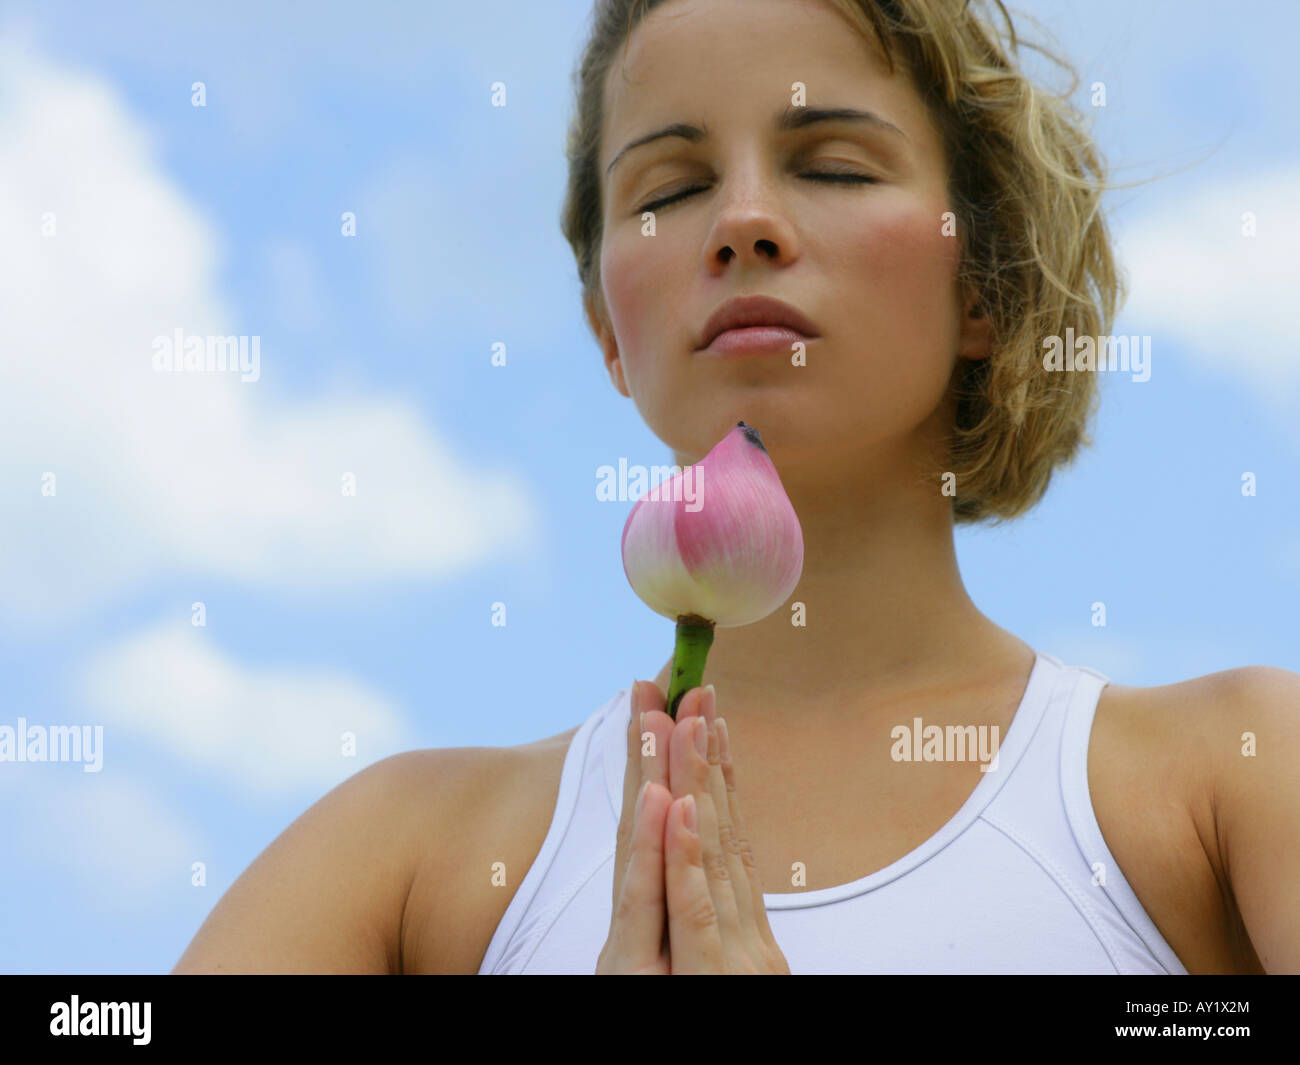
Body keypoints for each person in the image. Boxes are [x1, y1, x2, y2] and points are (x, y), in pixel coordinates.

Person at [172, 0, 1300, 975]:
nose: (742, 224)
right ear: (607, 330)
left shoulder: (1228, 780)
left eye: (834, 166)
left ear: (984, 287)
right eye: (671, 186)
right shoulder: (401, 859)